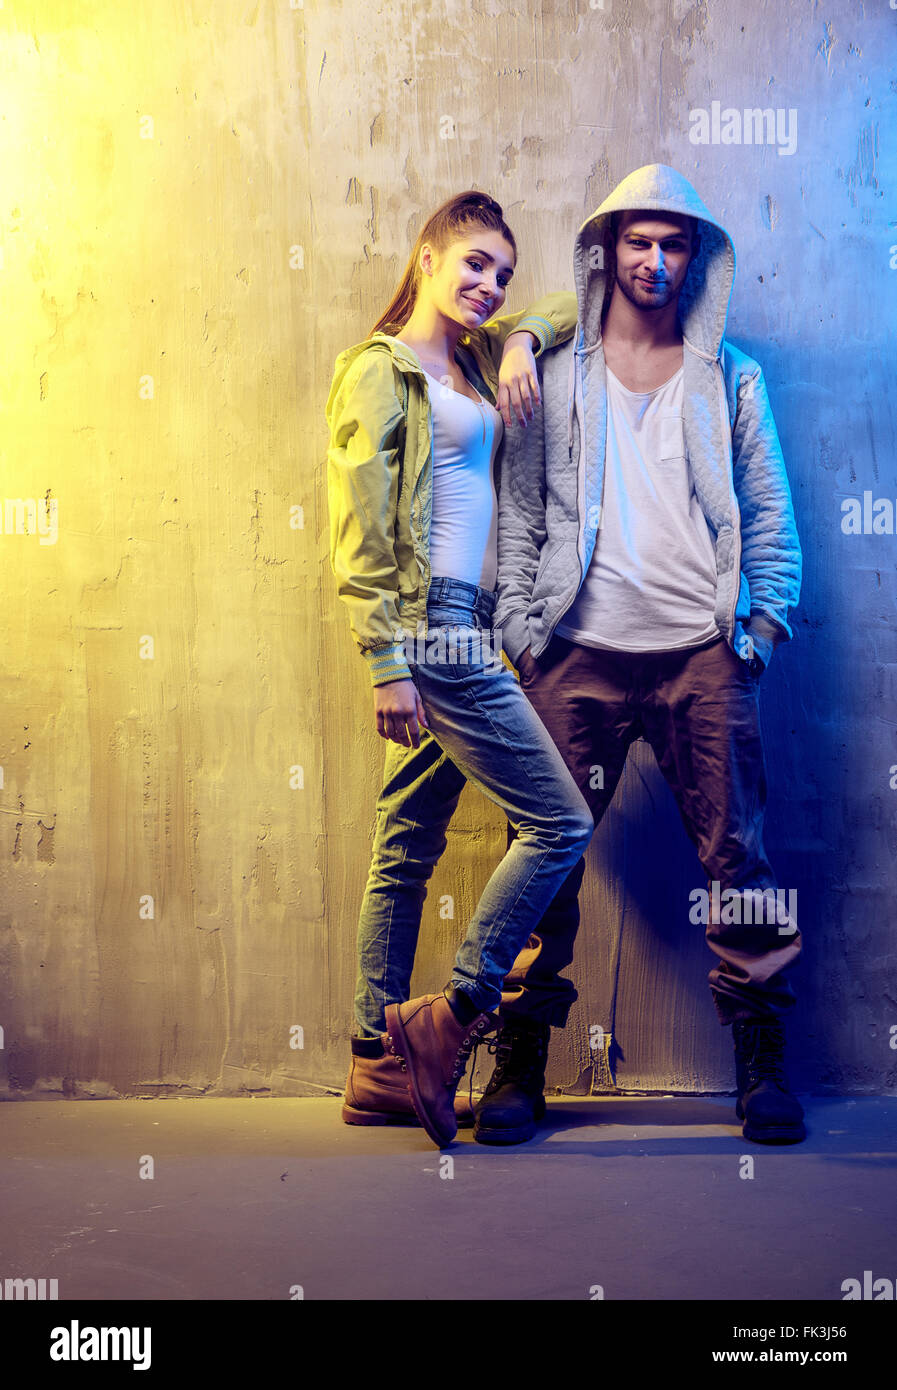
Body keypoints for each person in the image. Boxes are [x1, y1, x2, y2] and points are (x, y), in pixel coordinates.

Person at [476, 163, 805, 1147]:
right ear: (607, 252)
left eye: (672, 244)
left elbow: (768, 513)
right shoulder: (556, 377)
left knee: (740, 857)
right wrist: (523, 634)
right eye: (636, 242)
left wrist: (762, 628)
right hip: (575, 655)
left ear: (694, 257)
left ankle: (762, 1064)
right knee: (541, 861)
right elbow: (521, 513)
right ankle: (520, 1063)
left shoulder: (732, 379)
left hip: (702, 654)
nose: (654, 260)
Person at [325, 190, 594, 1148]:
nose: (488, 286)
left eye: (501, 274)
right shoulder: (378, 371)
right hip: (430, 632)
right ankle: (449, 1019)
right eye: (473, 264)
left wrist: (520, 340)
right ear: (427, 257)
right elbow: (360, 529)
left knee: (404, 842)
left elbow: (574, 301)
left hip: (468, 624)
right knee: (559, 822)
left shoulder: (479, 358)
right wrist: (386, 660)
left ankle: (374, 1063)